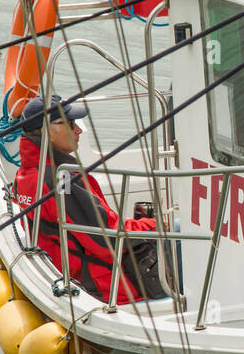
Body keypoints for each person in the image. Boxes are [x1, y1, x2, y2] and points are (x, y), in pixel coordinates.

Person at [13, 94, 165, 302]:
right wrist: (154, 225)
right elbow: (107, 239)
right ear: (47, 130)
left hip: (65, 271)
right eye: (70, 123)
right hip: (104, 286)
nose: (78, 130)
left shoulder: (25, 174)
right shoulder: (62, 180)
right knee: (178, 230)